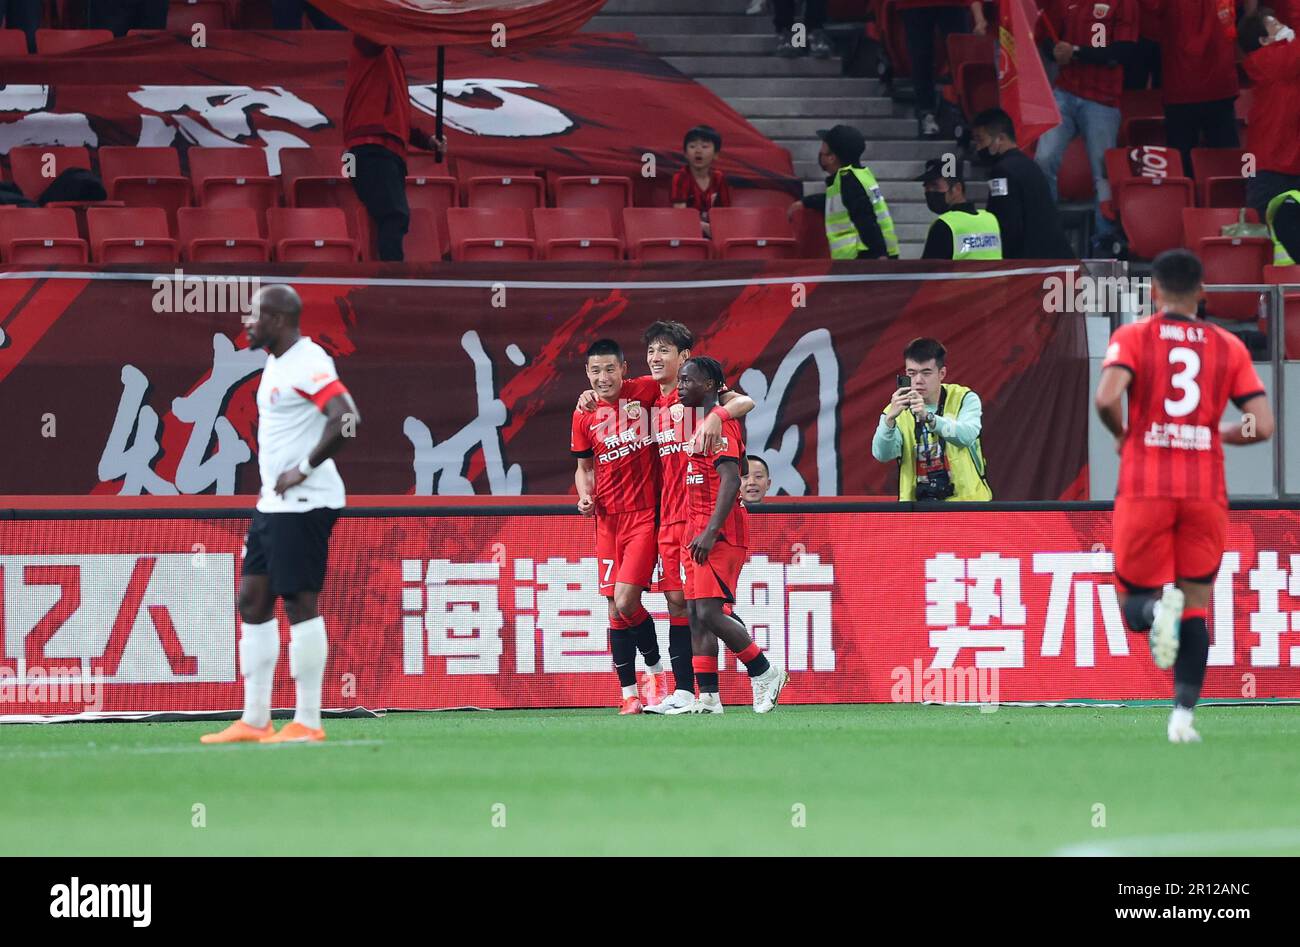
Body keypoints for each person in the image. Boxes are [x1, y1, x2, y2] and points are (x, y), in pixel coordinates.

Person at [1095, 249, 1274, 743]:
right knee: (1196, 606)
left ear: (1153, 291)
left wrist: (1125, 433)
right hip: (1204, 491)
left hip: (1146, 485)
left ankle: (1157, 613)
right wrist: (1220, 434)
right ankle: (1181, 720)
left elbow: (1107, 397)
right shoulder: (1228, 345)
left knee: (1136, 606)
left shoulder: (1133, 335)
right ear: (1202, 293)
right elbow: (1263, 425)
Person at [202, 285, 360, 745]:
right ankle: (255, 719)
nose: (246, 324)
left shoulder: (308, 362)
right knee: (252, 599)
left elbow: (347, 419)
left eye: (253, 316)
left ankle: (307, 721)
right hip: (273, 504)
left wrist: (305, 468)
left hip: (306, 502)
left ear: (276, 318)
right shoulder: (277, 361)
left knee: (298, 601)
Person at [575, 323, 756, 715]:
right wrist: (589, 394)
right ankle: (689, 693)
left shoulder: (697, 394)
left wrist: (714, 416)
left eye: (665, 350)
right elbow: (606, 389)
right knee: (681, 603)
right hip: (665, 517)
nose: (656, 358)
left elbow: (746, 402)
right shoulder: (646, 395)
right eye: (651, 351)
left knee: (688, 604)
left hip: (697, 516)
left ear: (685, 356)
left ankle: (728, 679)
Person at [677, 357, 788, 714]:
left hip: (719, 532)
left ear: (708, 385)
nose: (680, 386)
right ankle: (708, 696)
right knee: (696, 613)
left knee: (710, 612)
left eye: (686, 380)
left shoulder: (720, 426)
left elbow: (729, 481)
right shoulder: (705, 421)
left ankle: (764, 672)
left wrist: (710, 532)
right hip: (696, 530)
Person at [571, 339, 672, 715]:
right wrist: (585, 496)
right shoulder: (584, 413)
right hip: (607, 521)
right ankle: (629, 693)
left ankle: (657, 674)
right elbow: (584, 468)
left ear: (624, 369)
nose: (603, 378)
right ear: (587, 374)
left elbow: (673, 384)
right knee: (614, 610)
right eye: (595, 371)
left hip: (644, 515)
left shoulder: (643, 390)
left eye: (609, 369)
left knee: (628, 600)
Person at [1032, 0, 1140, 255]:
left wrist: (1077, 52)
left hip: (1102, 98)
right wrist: (1053, 51)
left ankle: (1104, 240)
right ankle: (1045, 233)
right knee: (1043, 157)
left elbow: (1125, 51)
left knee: (1102, 174)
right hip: (1066, 90)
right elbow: (1047, 36)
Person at [343, 34, 446, 263]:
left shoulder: (387, 60)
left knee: (388, 216)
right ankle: (391, 284)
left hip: (379, 151)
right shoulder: (370, 44)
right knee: (393, 215)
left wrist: (426, 141)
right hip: (372, 150)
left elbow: (398, 118)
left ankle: (388, 281)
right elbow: (370, 28)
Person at [872, 337, 992, 501]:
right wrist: (889, 421)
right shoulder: (896, 409)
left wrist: (929, 418)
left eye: (926, 373)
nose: (918, 381)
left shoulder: (965, 398)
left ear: (941, 373)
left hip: (968, 507)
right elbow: (882, 455)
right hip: (918, 510)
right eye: (912, 373)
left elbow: (967, 435)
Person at [1142, 0, 1240, 176]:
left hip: (1183, 87)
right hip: (1218, 86)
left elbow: (1149, 16)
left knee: (1183, 165)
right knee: (1226, 164)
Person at [970, 108, 1076, 260]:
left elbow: (1006, 223)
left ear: (1000, 138)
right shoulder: (1029, 165)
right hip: (1054, 258)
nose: (978, 148)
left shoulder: (1002, 172)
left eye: (981, 140)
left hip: (1032, 264)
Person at [793, 125, 900, 260]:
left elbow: (865, 218)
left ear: (832, 158)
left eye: (823, 150)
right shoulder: (859, 174)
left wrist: (880, 255)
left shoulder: (848, 180)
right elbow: (839, 202)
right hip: (869, 256)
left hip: (864, 258)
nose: (820, 153)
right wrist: (806, 202)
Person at [1238, 9, 1300, 228]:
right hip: (1265, 166)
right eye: (1275, 25)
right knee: (1262, 232)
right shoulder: (1264, 60)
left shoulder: (1284, 63)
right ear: (1264, 41)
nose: (1285, 27)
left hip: (1281, 161)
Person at [896, 1, 974, 138]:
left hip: (952, 4)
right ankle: (926, 112)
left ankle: (968, 111)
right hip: (915, 5)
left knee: (960, 54)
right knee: (921, 54)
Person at [917, 156, 1002, 260]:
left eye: (935, 186)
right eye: (926, 187)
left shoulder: (944, 225)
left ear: (957, 188)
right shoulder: (990, 219)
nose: (929, 191)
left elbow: (929, 271)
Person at [671, 126, 730, 240]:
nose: (698, 151)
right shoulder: (680, 178)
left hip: (714, 234)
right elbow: (681, 216)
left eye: (704, 146)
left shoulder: (719, 178)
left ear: (716, 154)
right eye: (692, 146)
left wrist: (718, 231)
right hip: (687, 234)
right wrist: (708, 228)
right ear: (686, 154)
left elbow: (724, 214)